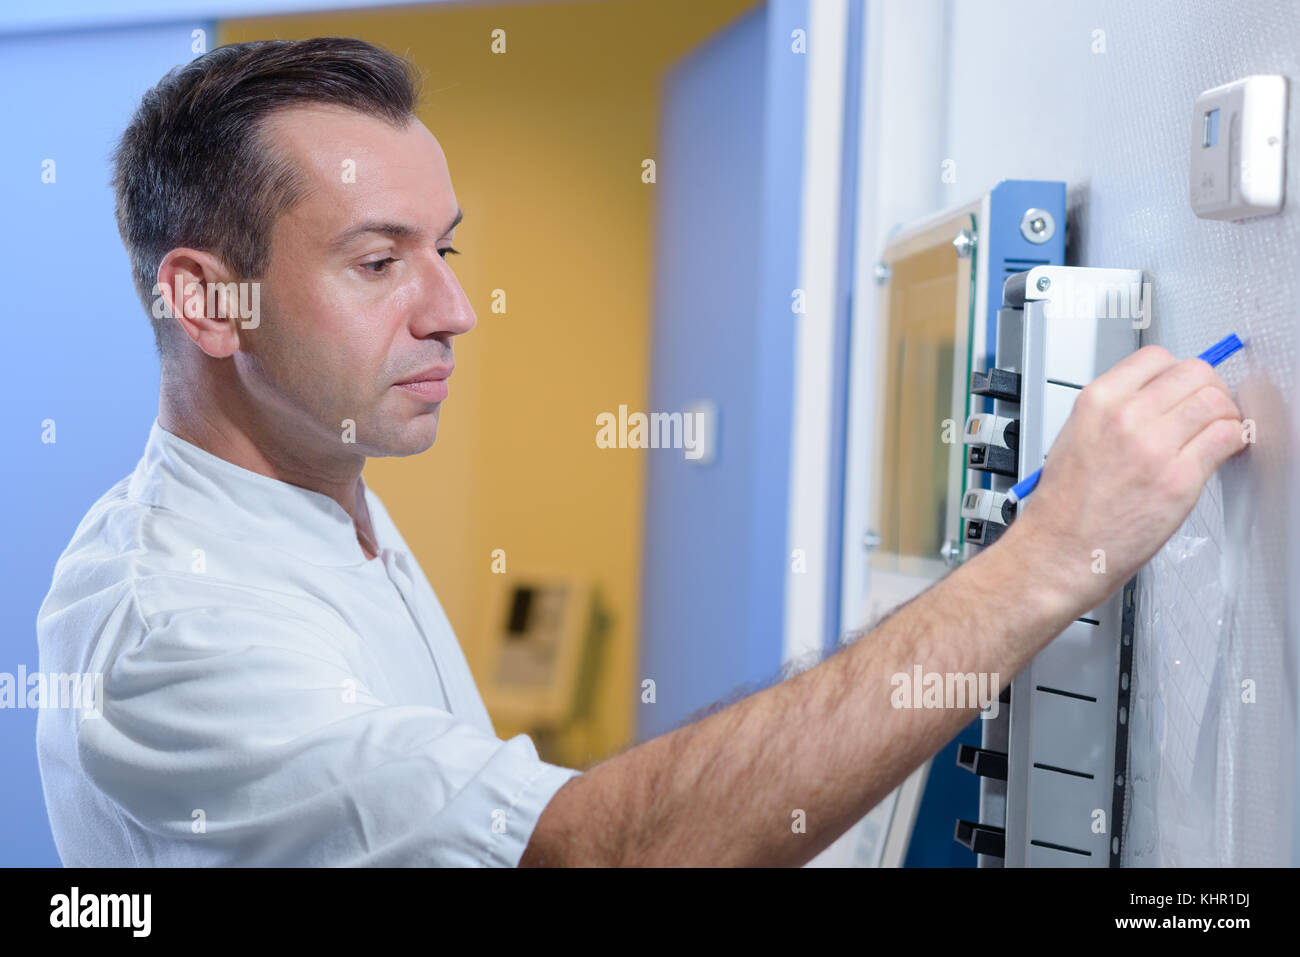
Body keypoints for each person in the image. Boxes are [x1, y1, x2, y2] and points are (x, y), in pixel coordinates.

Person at [35, 37, 1247, 867]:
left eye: (444, 250)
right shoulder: (177, 634)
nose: (452, 309)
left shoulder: (313, 480)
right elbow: (591, 854)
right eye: (376, 261)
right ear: (208, 306)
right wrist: (1051, 558)